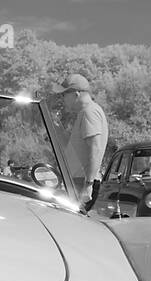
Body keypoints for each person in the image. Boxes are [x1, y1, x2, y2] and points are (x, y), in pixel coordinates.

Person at [54, 73, 108, 209]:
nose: (62, 99)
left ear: (76, 94)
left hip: (81, 184)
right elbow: (77, 148)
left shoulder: (89, 112)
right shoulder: (86, 112)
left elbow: (95, 148)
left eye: (64, 95)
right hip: (78, 182)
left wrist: (88, 185)